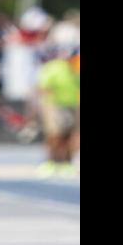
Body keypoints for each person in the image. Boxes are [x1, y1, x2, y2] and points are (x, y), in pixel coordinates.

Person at [36, 44, 79, 179]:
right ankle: (50, 161)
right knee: (55, 135)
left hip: (71, 105)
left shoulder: (75, 69)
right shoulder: (54, 67)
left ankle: (66, 162)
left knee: (69, 135)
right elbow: (44, 87)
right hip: (54, 105)